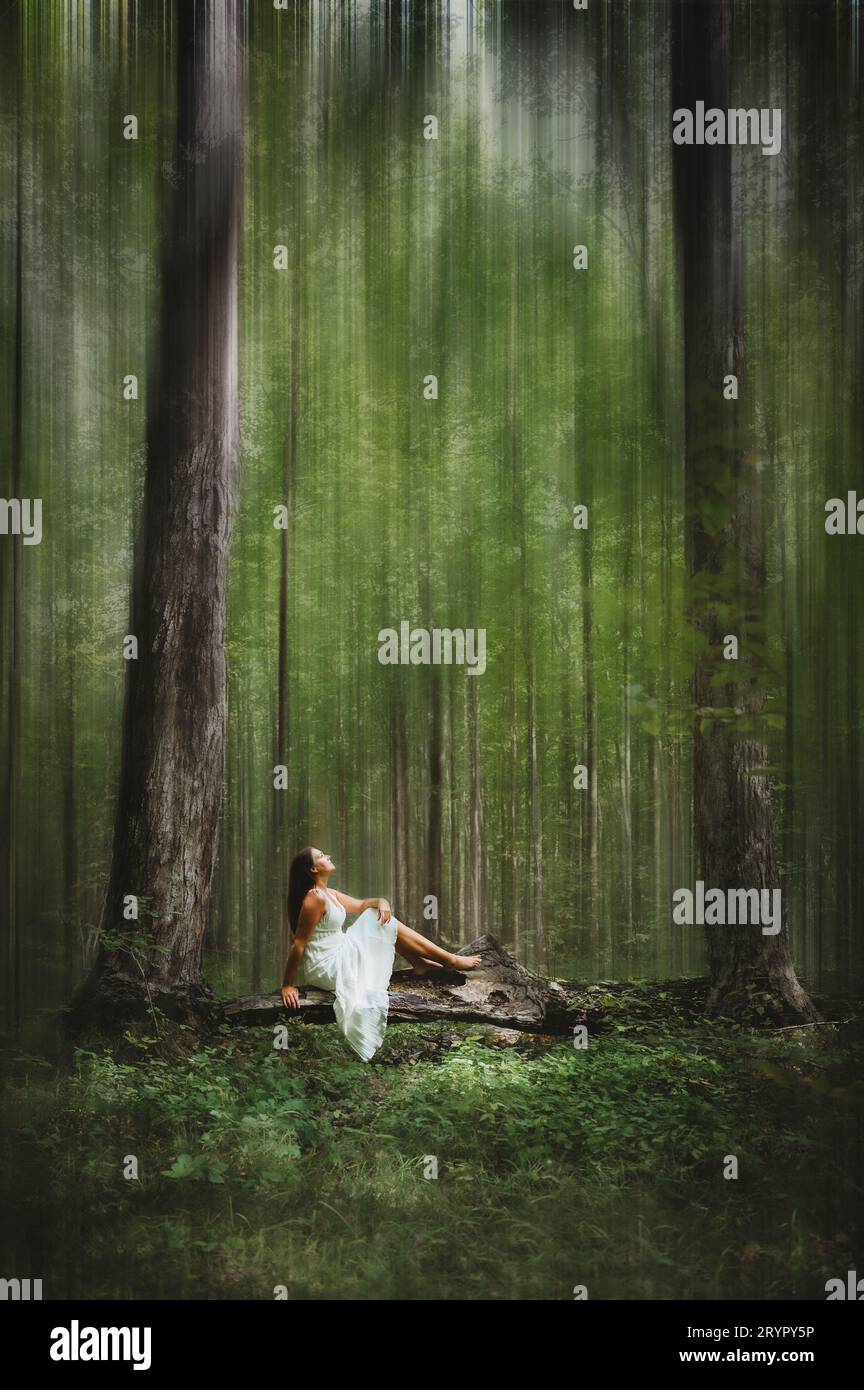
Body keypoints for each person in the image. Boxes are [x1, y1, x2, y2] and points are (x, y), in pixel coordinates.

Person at [280, 847, 482, 1062]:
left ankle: (421, 962)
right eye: (321, 856)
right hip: (327, 965)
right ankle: (449, 960)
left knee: (378, 916)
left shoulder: (330, 894)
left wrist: (382, 901)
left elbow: (361, 905)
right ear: (313, 868)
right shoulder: (315, 899)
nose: (328, 856)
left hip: (340, 952)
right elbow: (299, 944)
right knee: (379, 921)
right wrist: (287, 985)